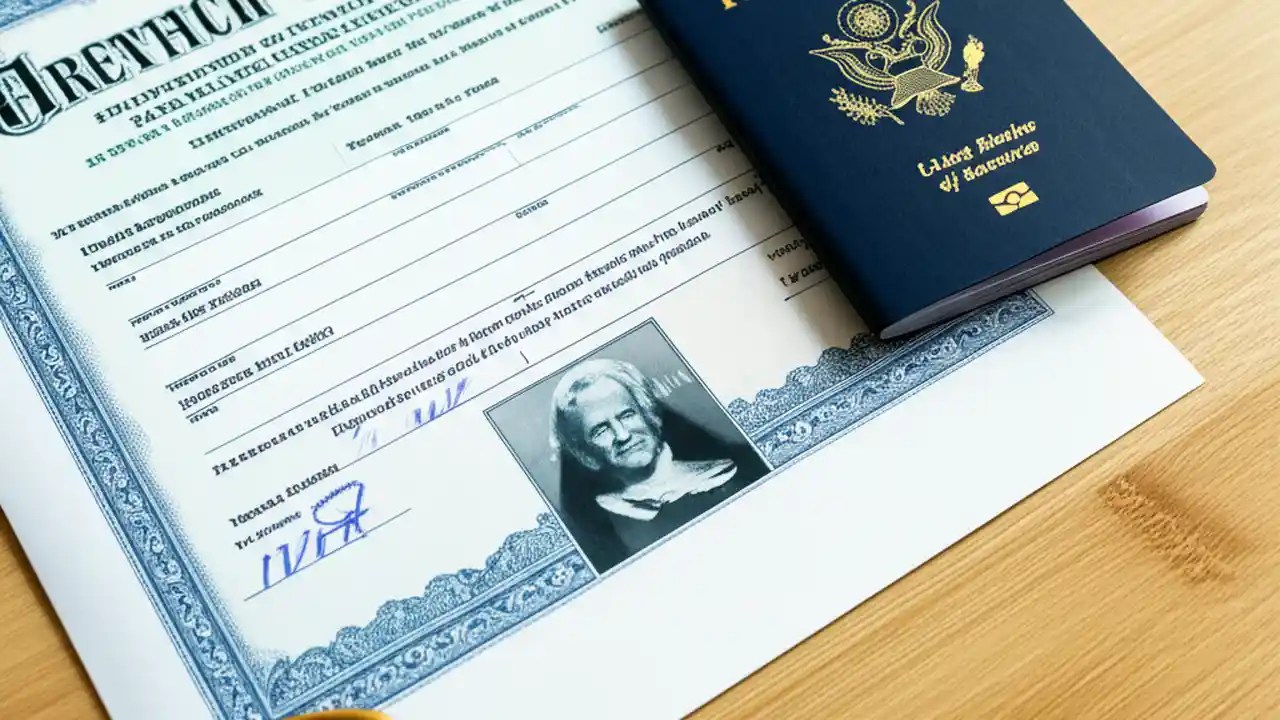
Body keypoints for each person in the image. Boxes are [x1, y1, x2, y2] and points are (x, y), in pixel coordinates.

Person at [549, 358, 768, 572]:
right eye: (600, 430)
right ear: (585, 454)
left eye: (627, 415)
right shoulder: (597, 534)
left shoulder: (741, 466)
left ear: (649, 416)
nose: (622, 435)